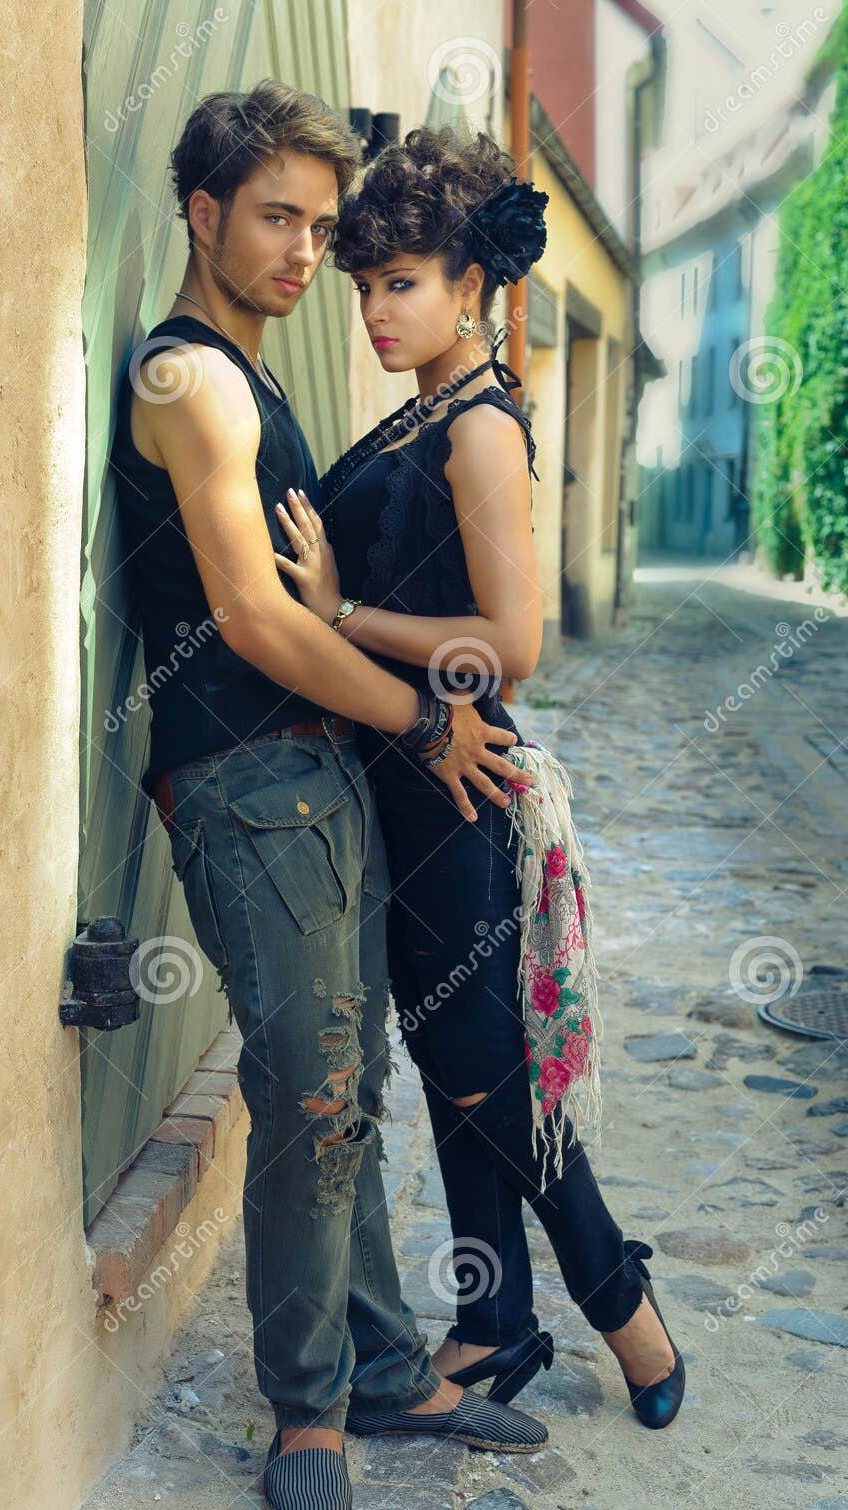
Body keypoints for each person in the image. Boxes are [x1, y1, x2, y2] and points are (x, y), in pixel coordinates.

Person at [110, 83, 548, 1510]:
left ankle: (380, 1367)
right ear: (202, 215)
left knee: (348, 1084)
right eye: (277, 218)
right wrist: (423, 718)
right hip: (245, 778)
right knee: (306, 1087)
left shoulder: (253, 371)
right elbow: (248, 614)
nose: (307, 252)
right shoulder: (190, 379)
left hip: (321, 774)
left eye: (320, 225)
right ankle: (307, 1409)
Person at [273, 125, 685, 1432]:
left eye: (400, 282)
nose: (375, 310)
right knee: (455, 1060)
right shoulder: (423, 411)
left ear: (469, 285)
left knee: (481, 1074)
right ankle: (491, 1321)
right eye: (363, 285)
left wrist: (341, 616)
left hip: (462, 795)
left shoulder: (482, 429)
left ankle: (621, 1304)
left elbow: (511, 643)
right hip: (408, 778)